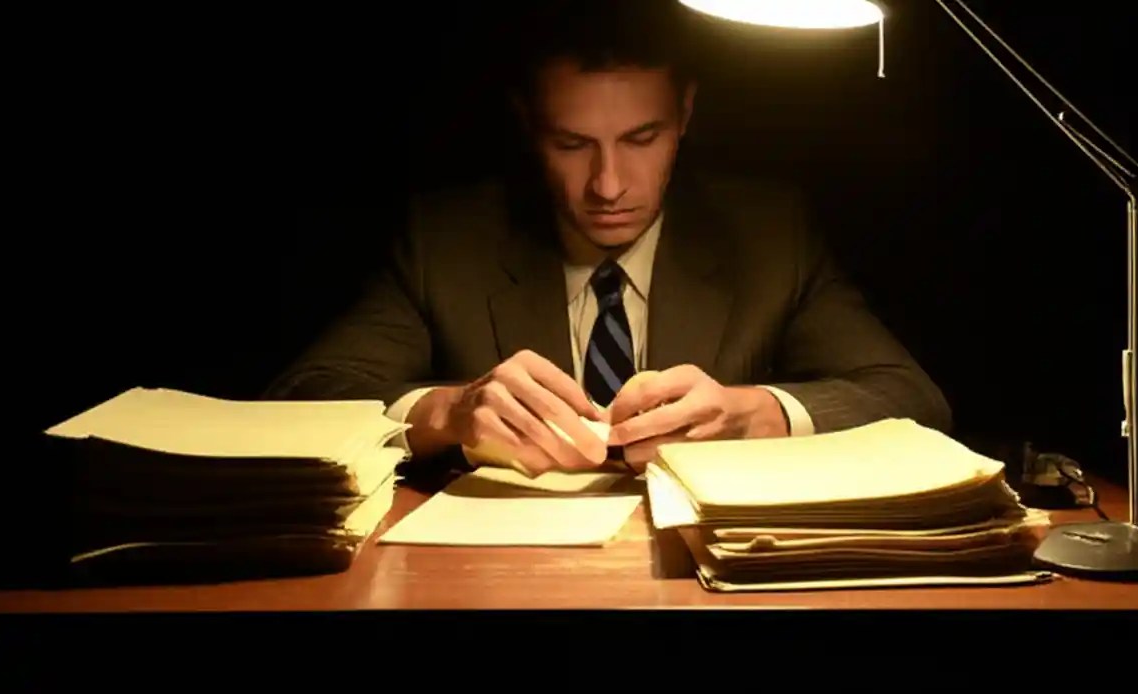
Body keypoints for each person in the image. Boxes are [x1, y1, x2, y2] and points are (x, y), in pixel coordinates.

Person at [264, 0, 951, 475]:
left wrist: (755, 413)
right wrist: (448, 412)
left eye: (641, 138)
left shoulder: (770, 233)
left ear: (685, 114)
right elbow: (301, 398)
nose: (609, 184)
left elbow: (910, 397)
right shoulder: (447, 239)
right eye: (571, 143)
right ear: (528, 126)